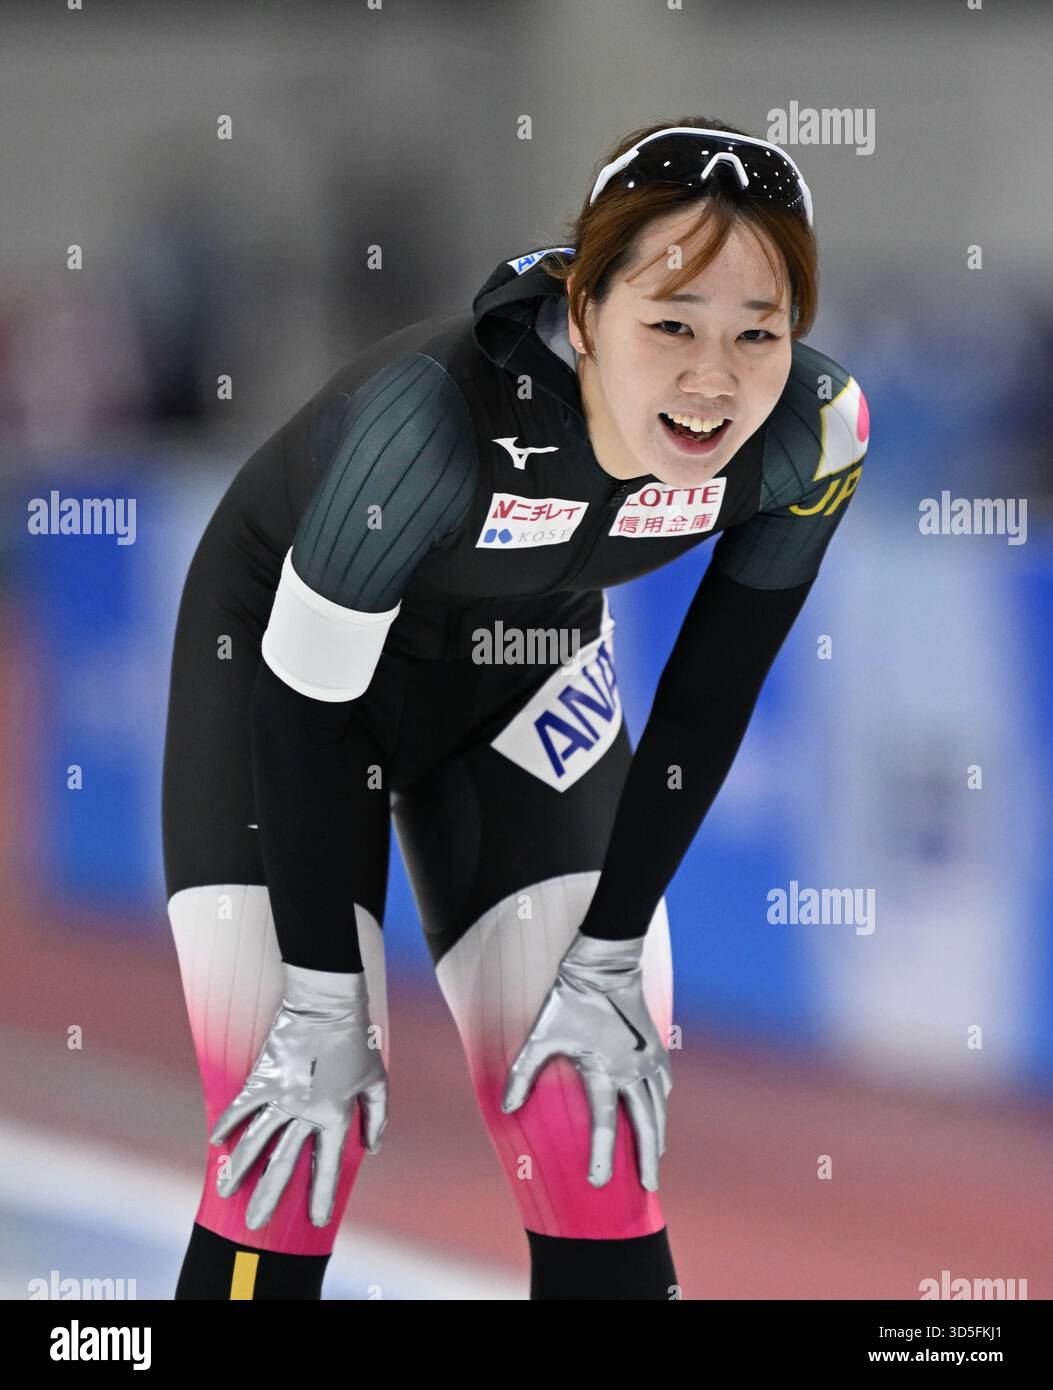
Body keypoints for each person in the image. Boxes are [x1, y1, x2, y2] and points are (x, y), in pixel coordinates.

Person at [162, 115, 869, 1301]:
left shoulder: (815, 432)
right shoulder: (426, 425)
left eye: (760, 333)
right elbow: (306, 717)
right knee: (290, 1140)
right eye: (671, 326)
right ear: (584, 312)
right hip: (288, 685)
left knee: (592, 1127)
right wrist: (327, 998)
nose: (714, 381)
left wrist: (608, 956)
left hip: (525, 663)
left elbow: (709, 697)